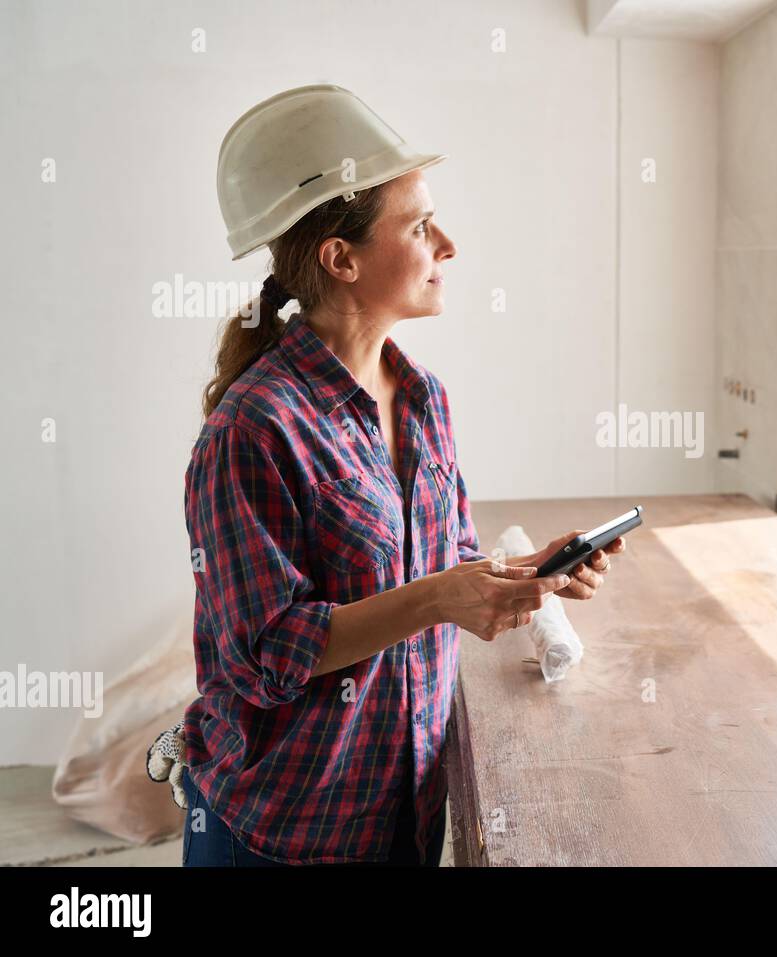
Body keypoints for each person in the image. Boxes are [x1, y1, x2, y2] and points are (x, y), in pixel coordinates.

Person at [181, 85, 624, 866]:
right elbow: (263, 653)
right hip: (288, 833)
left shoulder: (422, 398)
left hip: (404, 814)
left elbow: (445, 566)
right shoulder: (255, 428)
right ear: (340, 257)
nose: (447, 244)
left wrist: (526, 577)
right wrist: (439, 597)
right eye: (419, 226)